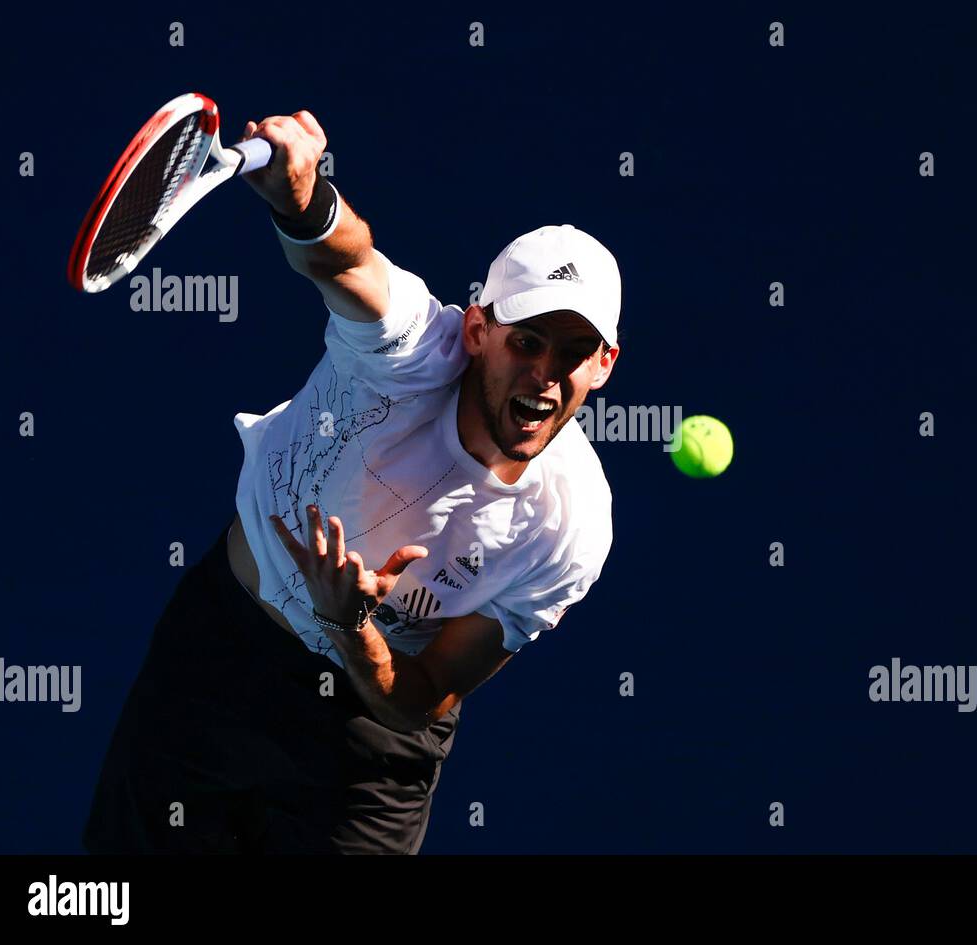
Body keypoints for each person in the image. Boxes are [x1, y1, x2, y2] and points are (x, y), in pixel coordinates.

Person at [82, 109, 621, 854]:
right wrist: (301, 197)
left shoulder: (571, 525)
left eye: (572, 353)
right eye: (525, 341)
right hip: (223, 657)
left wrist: (349, 624)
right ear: (475, 332)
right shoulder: (408, 353)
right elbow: (348, 262)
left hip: (368, 750)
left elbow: (422, 695)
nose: (543, 375)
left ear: (604, 365)